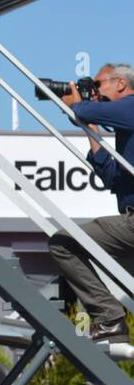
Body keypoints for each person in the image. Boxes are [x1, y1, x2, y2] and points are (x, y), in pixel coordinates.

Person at [48, 64, 134, 345]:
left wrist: (80, 106)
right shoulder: (125, 126)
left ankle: (109, 318)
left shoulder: (132, 106)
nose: (94, 92)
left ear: (120, 83)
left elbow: (82, 110)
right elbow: (111, 178)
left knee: (63, 243)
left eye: (98, 85)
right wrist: (92, 130)